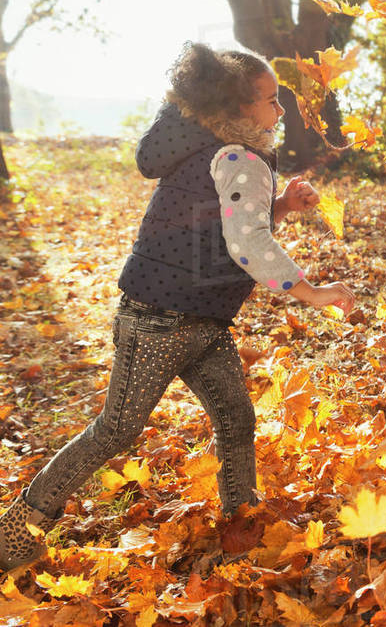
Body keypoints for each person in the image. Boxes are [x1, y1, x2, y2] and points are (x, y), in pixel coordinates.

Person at [0, 42, 356, 572]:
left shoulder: (216, 152)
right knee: (116, 430)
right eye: (270, 100)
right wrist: (312, 292)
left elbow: (217, 231)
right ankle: (17, 532)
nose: (279, 111)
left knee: (236, 417)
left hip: (199, 319)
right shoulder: (240, 157)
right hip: (159, 323)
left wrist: (278, 205)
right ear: (238, 109)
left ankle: (243, 519)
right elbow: (248, 246)